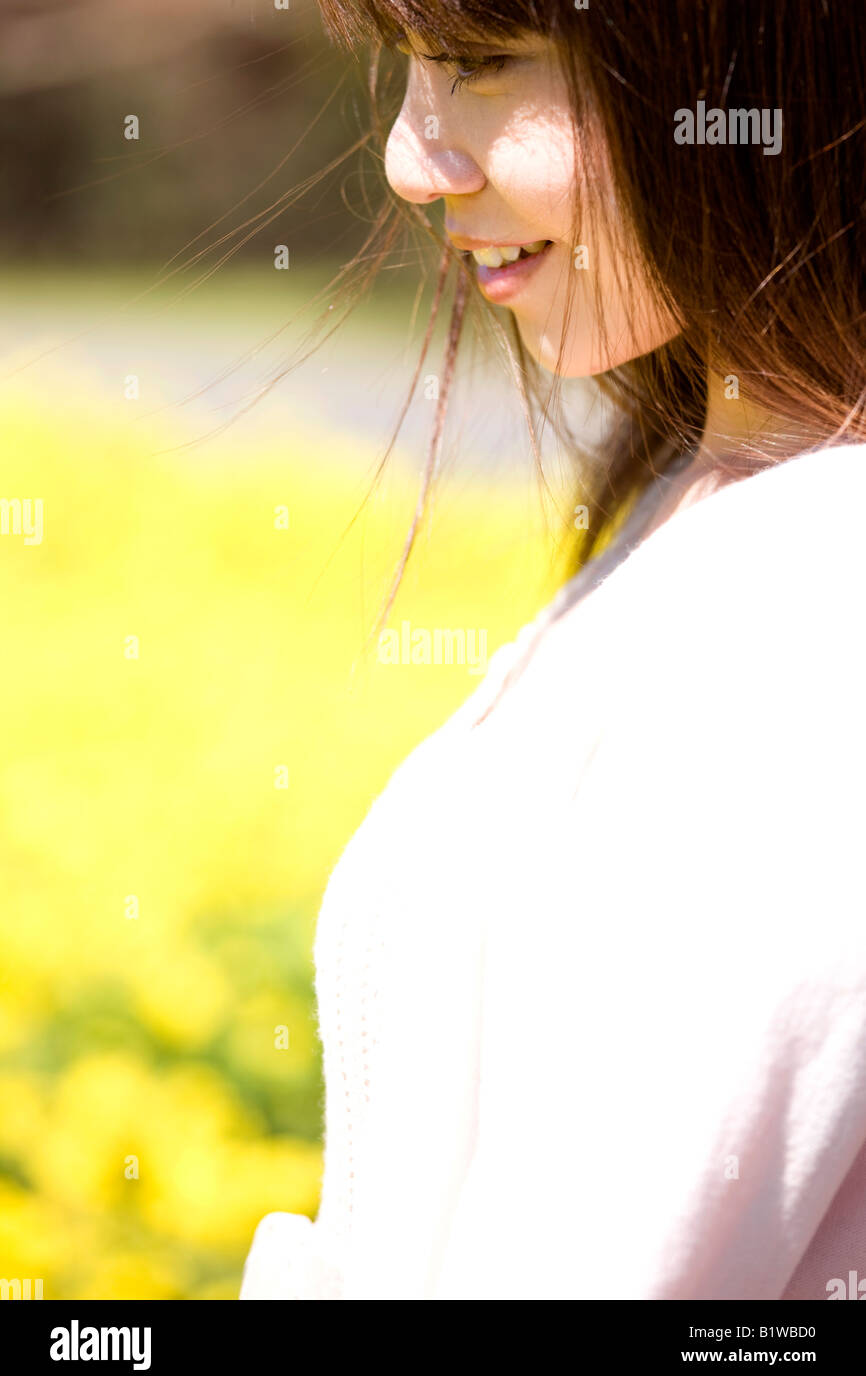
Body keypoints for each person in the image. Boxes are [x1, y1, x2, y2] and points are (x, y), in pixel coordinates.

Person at [240, 2, 866, 1299]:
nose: (412, 162)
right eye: (407, 73)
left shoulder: (805, 618)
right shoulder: (727, 493)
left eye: (474, 65)